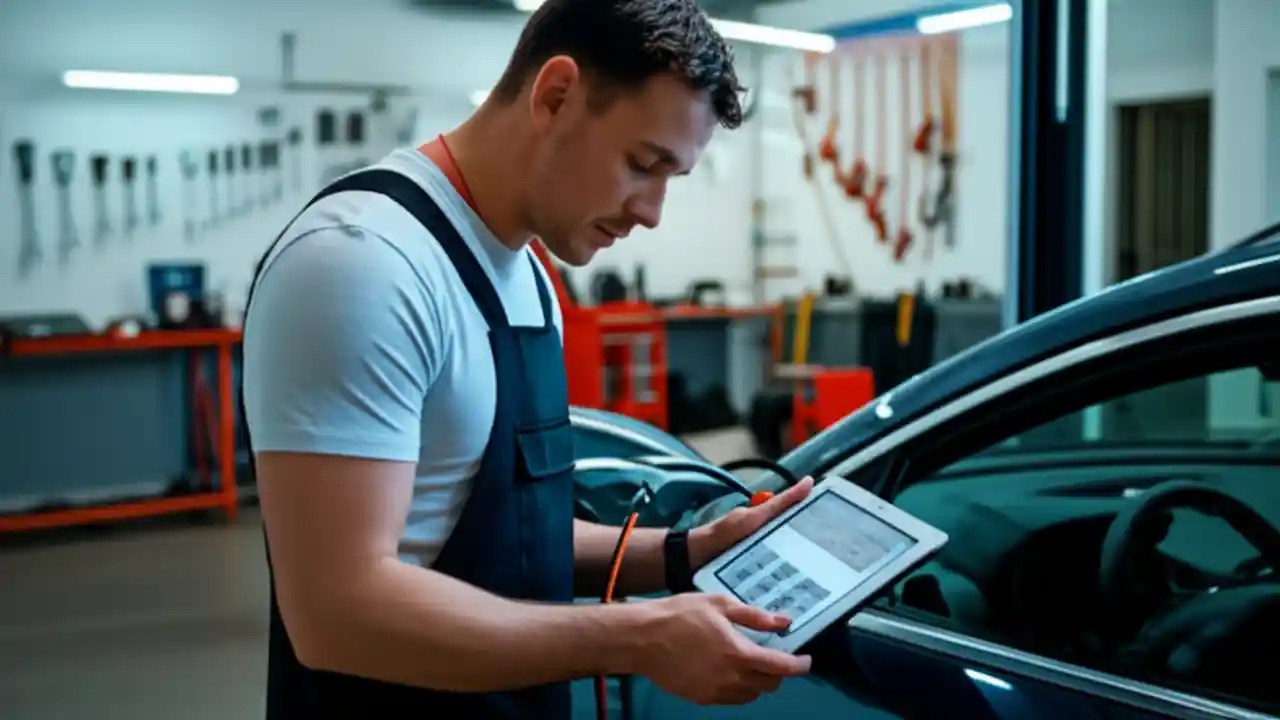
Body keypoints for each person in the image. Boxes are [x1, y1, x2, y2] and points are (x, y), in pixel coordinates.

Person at [241, 1, 816, 718]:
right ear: (556, 95)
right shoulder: (361, 264)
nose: (652, 212)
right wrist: (636, 638)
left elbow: (515, 536)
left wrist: (688, 551)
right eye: (643, 164)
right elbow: (338, 613)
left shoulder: (528, 277)